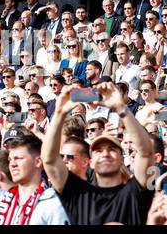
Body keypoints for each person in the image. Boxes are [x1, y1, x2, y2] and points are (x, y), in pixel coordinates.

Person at [43, 83, 155, 225]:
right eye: (98, 150)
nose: (105, 153)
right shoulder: (78, 194)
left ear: (122, 158)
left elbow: (146, 152)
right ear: (90, 161)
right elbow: (49, 160)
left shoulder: (135, 192)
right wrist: (59, 113)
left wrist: (121, 108)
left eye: (112, 149)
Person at [0, 134, 70, 225]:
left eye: (18, 158)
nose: (12, 164)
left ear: (38, 162)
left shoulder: (53, 204)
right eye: (10, 160)